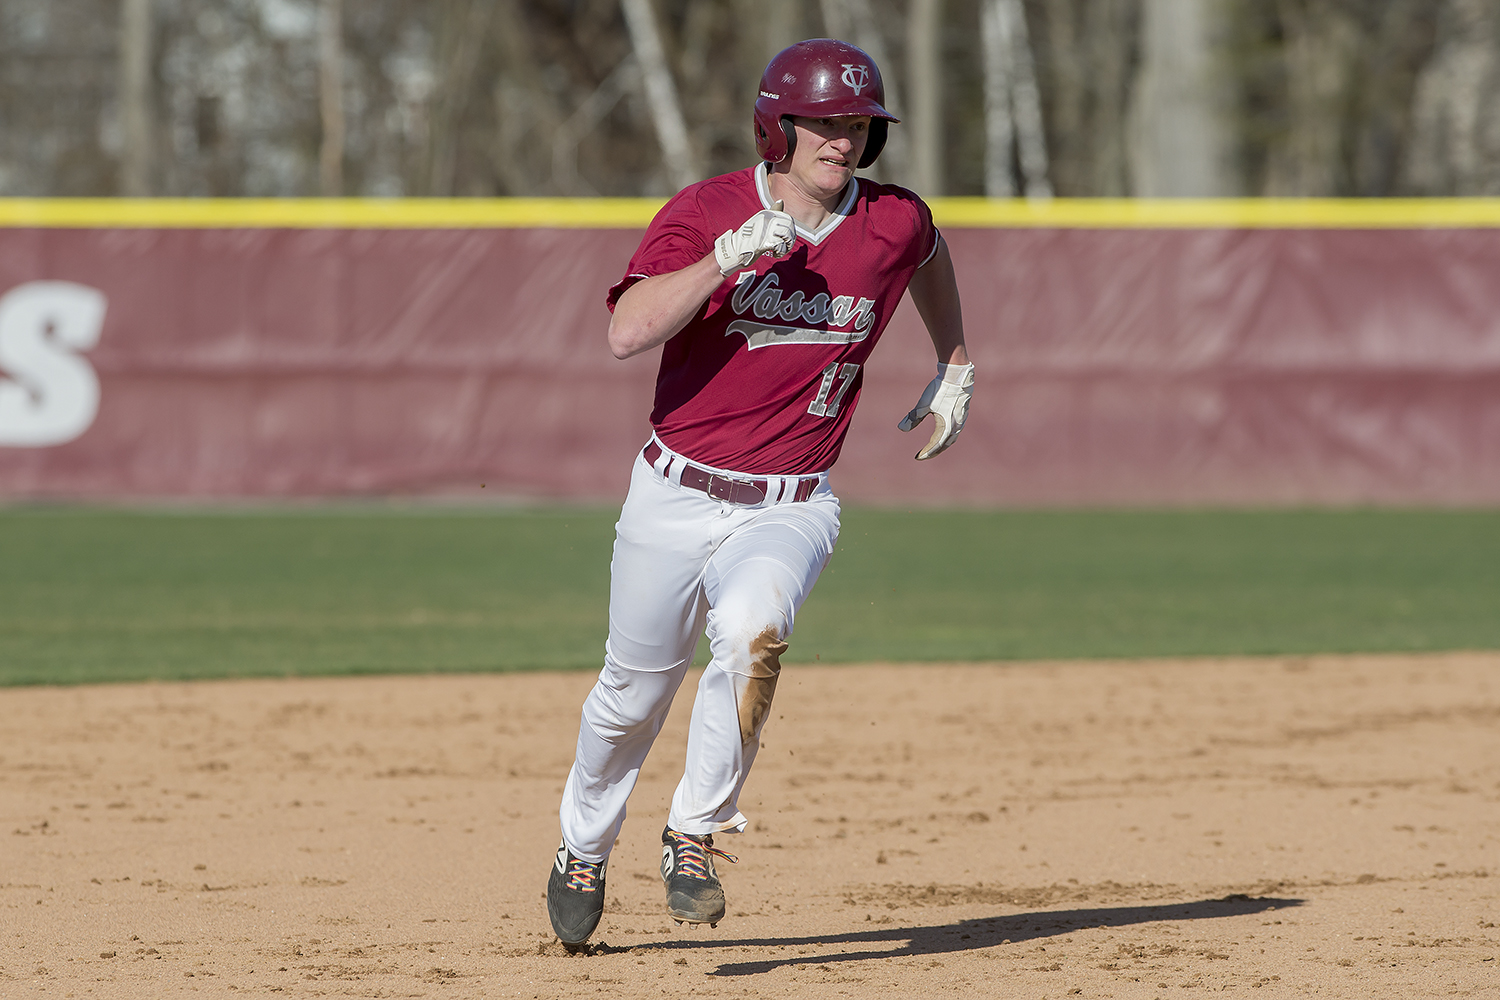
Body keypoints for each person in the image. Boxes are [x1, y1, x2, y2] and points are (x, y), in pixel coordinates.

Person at [545, 37, 973, 951]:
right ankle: (583, 848)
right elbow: (627, 332)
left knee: (752, 633)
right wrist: (725, 260)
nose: (843, 138)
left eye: (859, 123)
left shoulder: (891, 220)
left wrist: (954, 360)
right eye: (824, 120)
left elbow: (929, 256)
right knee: (631, 695)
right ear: (778, 123)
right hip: (673, 493)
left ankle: (694, 832)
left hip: (791, 500)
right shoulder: (706, 210)